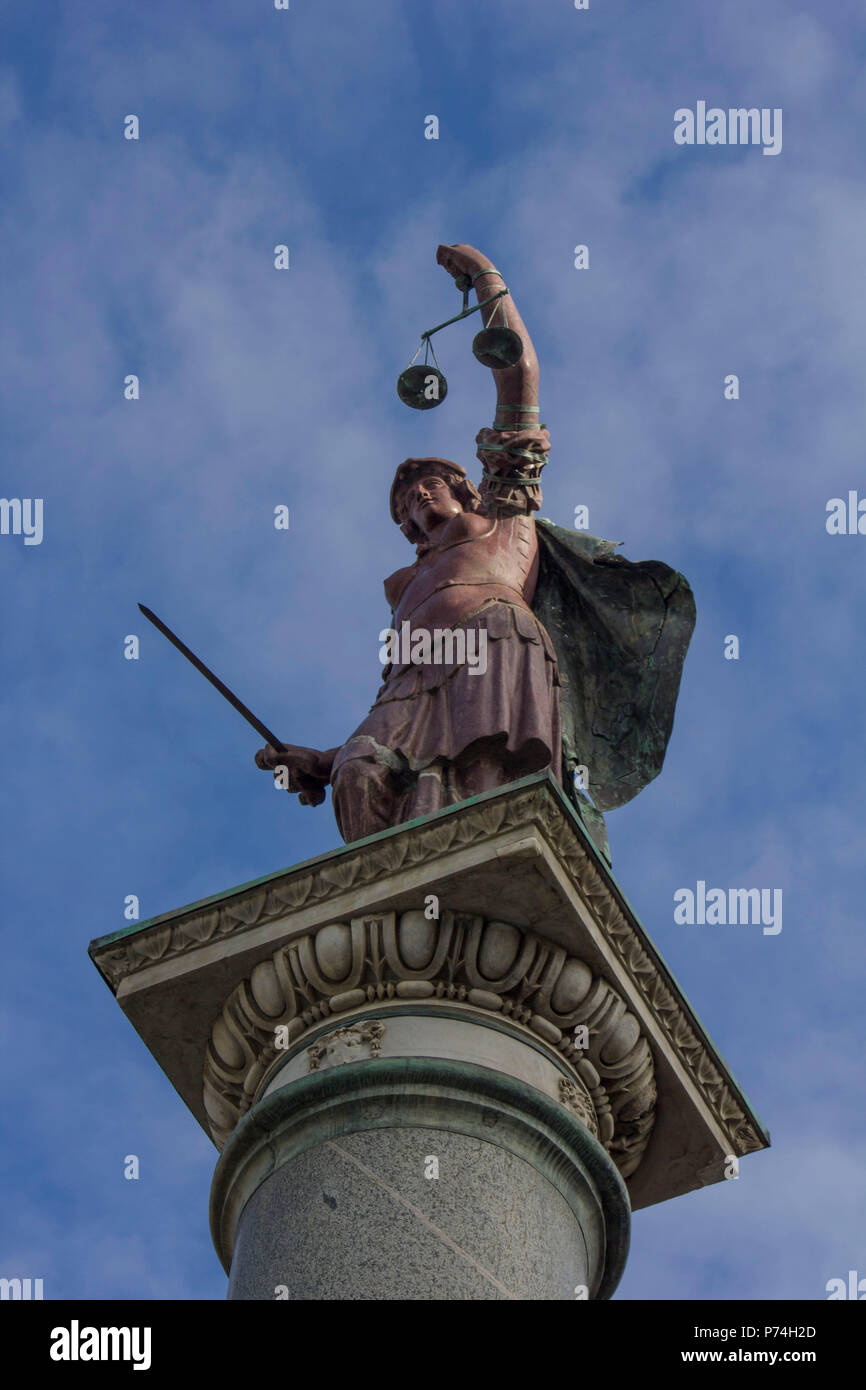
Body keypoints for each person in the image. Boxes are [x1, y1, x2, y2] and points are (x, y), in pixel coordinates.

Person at [256, 244, 696, 858]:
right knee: (360, 770)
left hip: (493, 644)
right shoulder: (407, 588)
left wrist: (488, 283)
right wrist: (322, 761)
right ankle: (395, 897)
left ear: (463, 488)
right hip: (412, 672)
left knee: (482, 789)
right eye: (405, 502)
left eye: (428, 486)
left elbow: (520, 379)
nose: (417, 498)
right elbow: (398, 714)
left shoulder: (503, 515)